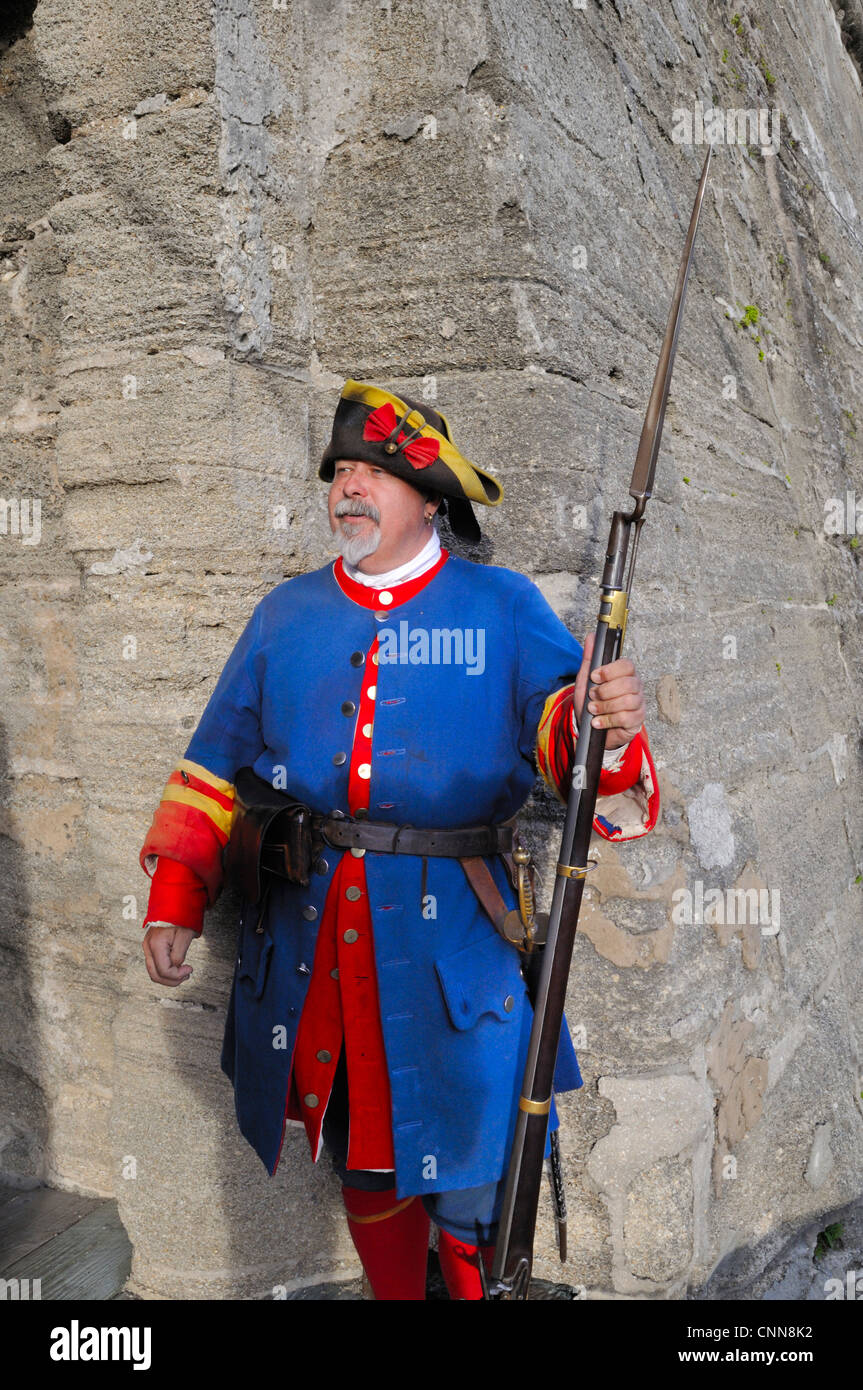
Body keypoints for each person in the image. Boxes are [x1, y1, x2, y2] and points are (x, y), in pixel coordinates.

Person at [139, 378, 659, 1300]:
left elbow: (563, 741)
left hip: (451, 932)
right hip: (314, 932)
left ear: (428, 499)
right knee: (362, 1150)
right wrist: (175, 896)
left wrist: (601, 721)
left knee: (467, 1163)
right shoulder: (284, 613)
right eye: (339, 471)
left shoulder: (500, 606)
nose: (348, 487)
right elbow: (212, 765)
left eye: (372, 473)